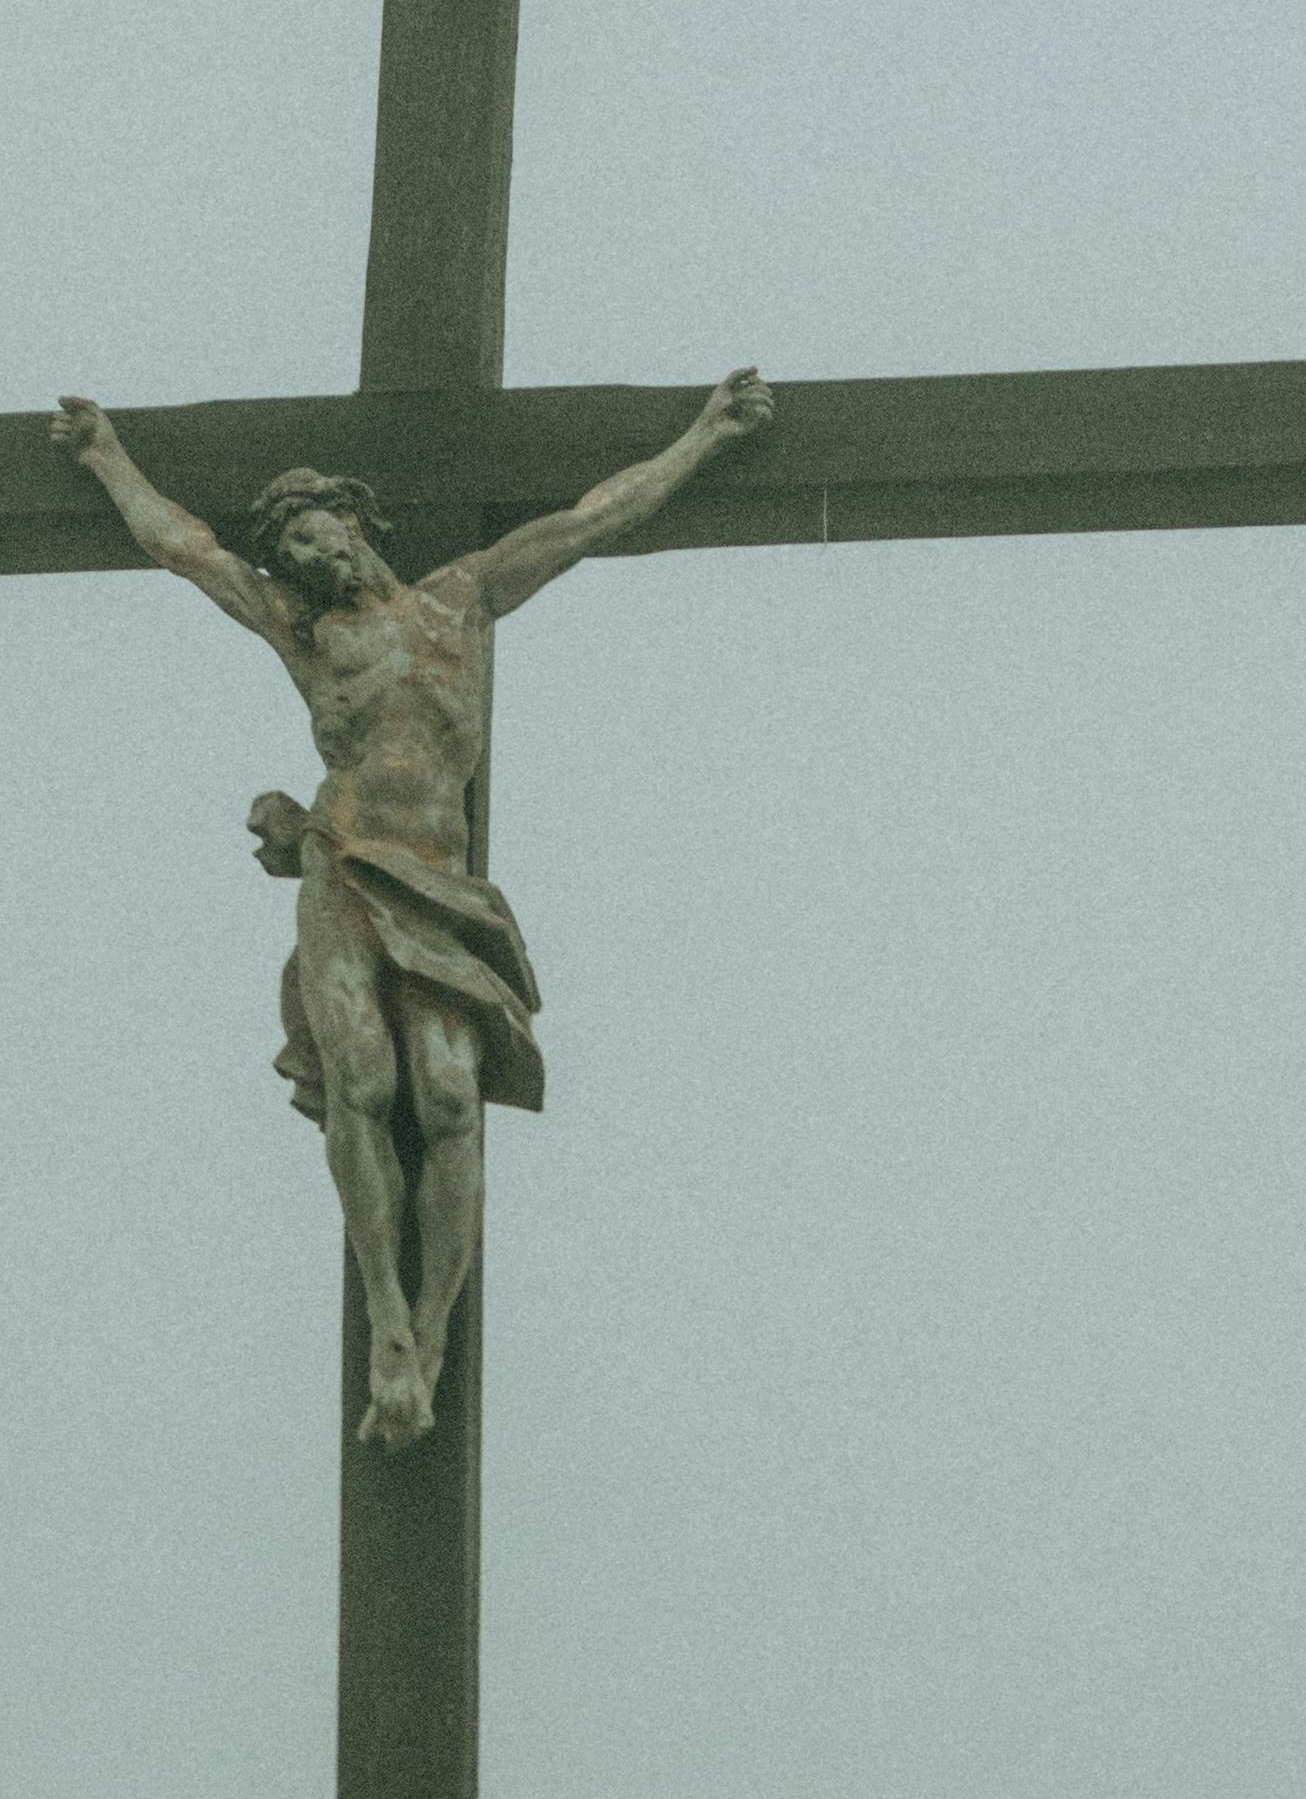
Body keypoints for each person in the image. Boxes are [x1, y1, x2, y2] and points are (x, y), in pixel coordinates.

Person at [53, 371, 776, 1442]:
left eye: (316, 531)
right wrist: (108, 456)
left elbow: (595, 518)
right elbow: (188, 550)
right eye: (290, 547)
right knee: (362, 1078)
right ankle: (387, 1325)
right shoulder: (306, 636)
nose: (305, 556)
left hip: (438, 879)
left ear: (357, 520)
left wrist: (705, 436)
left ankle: (429, 1334)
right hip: (344, 862)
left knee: (445, 1096)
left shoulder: (462, 600)